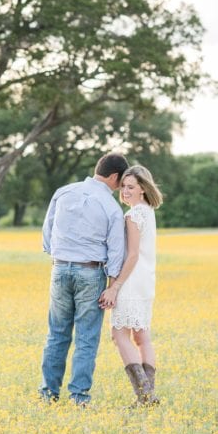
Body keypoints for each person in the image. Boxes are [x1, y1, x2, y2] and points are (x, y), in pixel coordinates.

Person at [39, 152, 129, 406]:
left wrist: (60, 256)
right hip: (90, 272)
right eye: (121, 181)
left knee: (56, 334)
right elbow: (116, 251)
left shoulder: (64, 192)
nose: (121, 187)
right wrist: (112, 287)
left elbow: (47, 231)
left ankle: (48, 394)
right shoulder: (111, 207)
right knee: (86, 338)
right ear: (114, 176)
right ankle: (79, 397)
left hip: (59, 268)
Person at [99, 165, 163, 406]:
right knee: (142, 337)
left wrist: (115, 286)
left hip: (131, 281)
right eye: (123, 187)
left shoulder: (133, 215)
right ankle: (148, 396)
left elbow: (132, 254)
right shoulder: (148, 212)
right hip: (146, 281)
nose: (125, 191)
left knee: (119, 335)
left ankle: (145, 396)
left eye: (131, 187)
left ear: (143, 189)